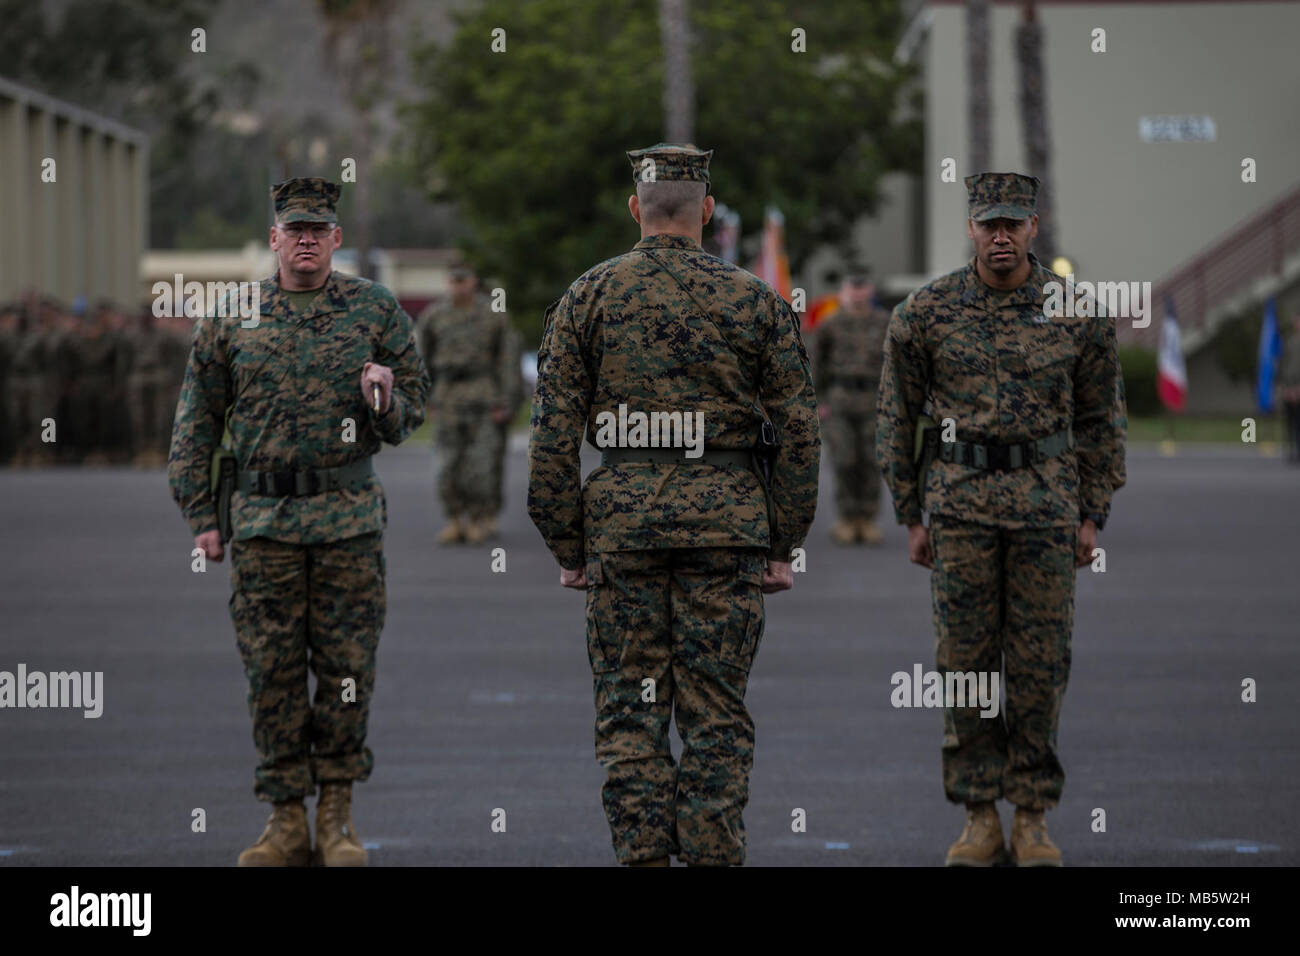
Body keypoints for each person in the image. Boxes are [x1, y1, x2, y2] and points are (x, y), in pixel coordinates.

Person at [527, 143, 820, 866]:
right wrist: (782, 543)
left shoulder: (587, 297)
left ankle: (644, 859)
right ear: (708, 211)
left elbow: (552, 442)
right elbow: (800, 435)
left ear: (636, 208)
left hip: (622, 530)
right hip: (727, 530)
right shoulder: (754, 299)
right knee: (716, 714)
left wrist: (570, 546)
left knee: (630, 710)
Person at [167, 177, 429, 867]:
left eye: (319, 230)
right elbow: (196, 424)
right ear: (275, 237)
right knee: (272, 673)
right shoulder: (232, 316)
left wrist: (384, 402)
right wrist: (202, 513)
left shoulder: (373, 310)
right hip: (261, 525)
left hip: (347, 523)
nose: (307, 240)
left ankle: (337, 816)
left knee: (346, 672)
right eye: (295, 230)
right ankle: (285, 819)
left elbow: (413, 411)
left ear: (336, 239)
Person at [875, 172, 1124, 867]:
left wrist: (1092, 512)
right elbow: (899, 419)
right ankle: (980, 813)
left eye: (1014, 223)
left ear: (1034, 227)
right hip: (960, 509)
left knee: (1041, 666)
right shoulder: (926, 313)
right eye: (990, 223)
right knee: (966, 666)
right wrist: (909, 512)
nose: (1002, 235)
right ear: (971, 228)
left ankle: (1034, 815)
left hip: (1047, 509)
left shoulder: (1077, 312)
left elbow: (1103, 420)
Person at [415, 264, 519, 544]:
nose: (458, 286)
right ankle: (454, 519)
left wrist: (506, 399)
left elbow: (507, 359)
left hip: (484, 395)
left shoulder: (493, 314)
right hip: (447, 395)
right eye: (453, 281)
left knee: (481, 463)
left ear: (474, 282)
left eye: (464, 280)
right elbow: (421, 359)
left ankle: (479, 518)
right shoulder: (434, 315)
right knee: (446, 465)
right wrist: (424, 399)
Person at [809, 269, 891, 545]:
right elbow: (817, 363)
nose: (857, 294)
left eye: (862, 287)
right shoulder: (830, 324)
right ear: (845, 291)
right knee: (843, 459)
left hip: (873, 399)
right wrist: (818, 400)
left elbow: (895, 365)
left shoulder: (885, 323)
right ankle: (846, 517)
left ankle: (866, 518)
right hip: (840, 399)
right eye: (852, 288)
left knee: (870, 460)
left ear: (870, 291)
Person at [1279, 311, 1300, 463]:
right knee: (1290, 422)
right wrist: (1286, 388)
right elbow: (1285, 366)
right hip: (1289, 388)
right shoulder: (1290, 341)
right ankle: (1292, 450)